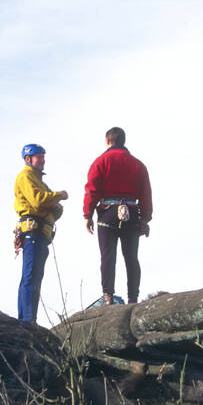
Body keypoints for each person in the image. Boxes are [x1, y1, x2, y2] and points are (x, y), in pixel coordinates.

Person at [83, 126, 153, 306]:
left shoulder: (100, 162)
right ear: (124, 141)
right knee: (131, 257)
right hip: (131, 213)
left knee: (108, 257)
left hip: (108, 214)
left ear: (107, 141)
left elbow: (92, 189)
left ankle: (108, 298)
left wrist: (87, 214)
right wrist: (145, 218)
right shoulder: (138, 165)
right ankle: (133, 299)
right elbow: (146, 194)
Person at [14, 143, 69, 324]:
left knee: (35, 278)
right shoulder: (26, 176)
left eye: (43, 157)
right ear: (28, 159)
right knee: (30, 277)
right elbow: (38, 201)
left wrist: (52, 203)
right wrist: (58, 195)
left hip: (41, 235)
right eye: (39, 157)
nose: (43, 160)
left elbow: (56, 210)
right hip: (33, 234)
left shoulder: (39, 181)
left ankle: (29, 318)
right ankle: (27, 320)